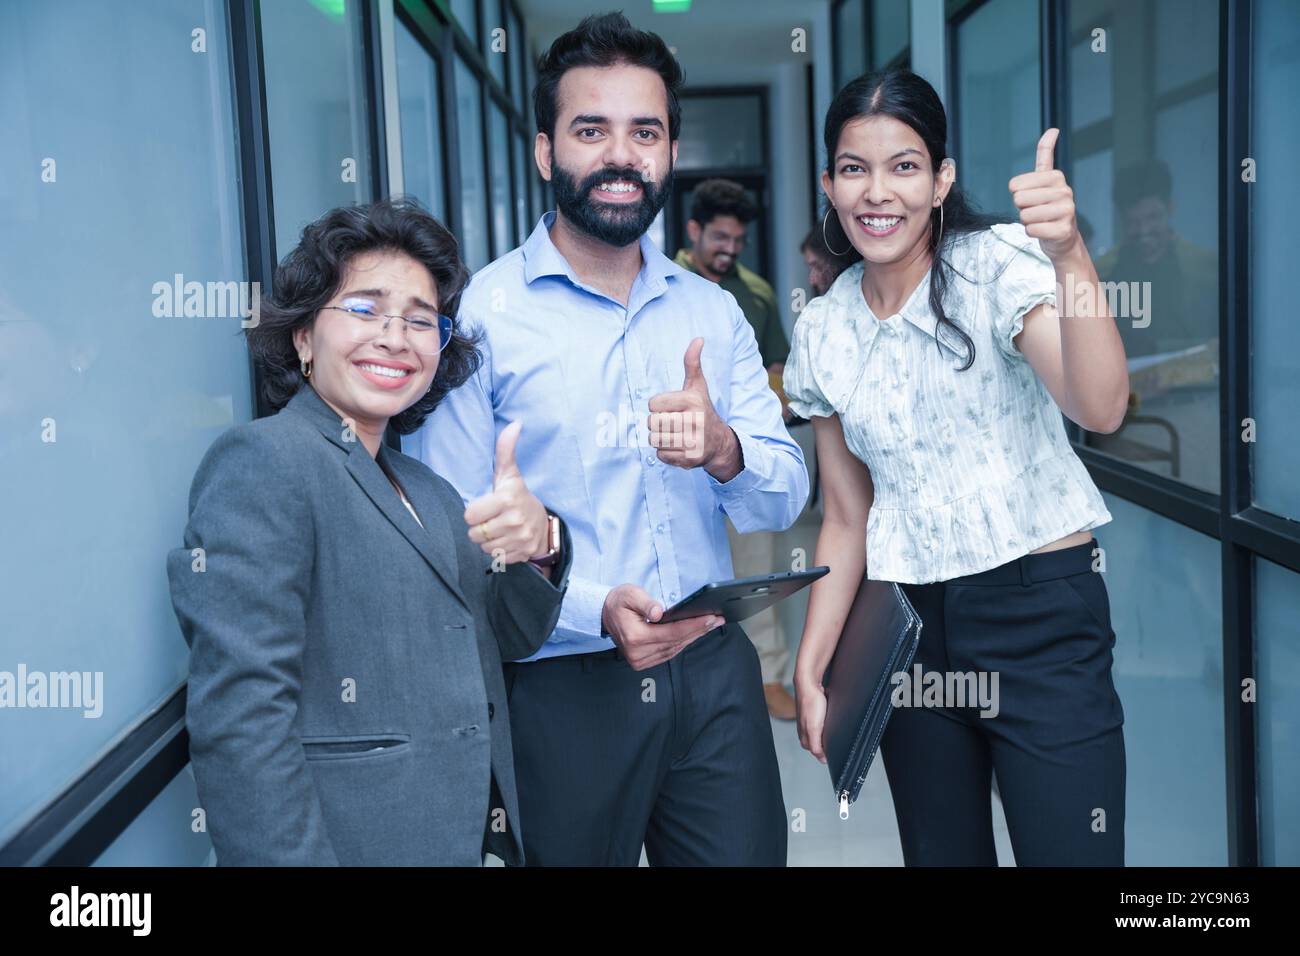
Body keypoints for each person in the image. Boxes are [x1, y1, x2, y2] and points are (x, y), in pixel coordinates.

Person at [405, 12, 808, 866]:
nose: (621, 157)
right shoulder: (482, 316)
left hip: (713, 673)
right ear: (547, 151)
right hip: (561, 687)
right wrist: (591, 608)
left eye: (645, 132)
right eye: (592, 130)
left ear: (668, 153)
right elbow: (450, 536)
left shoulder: (711, 309)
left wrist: (724, 448)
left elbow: (786, 491)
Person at [785, 70, 1130, 866]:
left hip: (1040, 616)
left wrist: (1071, 255)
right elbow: (846, 516)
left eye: (905, 166)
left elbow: (1100, 406)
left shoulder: (998, 266)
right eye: (854, 168)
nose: (878, 192)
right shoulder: (825, 329)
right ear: (829, 185)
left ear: (941, 180)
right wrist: (813, 659)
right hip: (908, 631)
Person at [167, 197, 572, 866]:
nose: (394, 336)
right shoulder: (266, 462)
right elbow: (241, 722)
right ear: (302, 337)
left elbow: (503, 637)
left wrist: (542, 545)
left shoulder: (429, 490)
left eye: (420, 320)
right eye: (364, 309)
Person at [673, 177, 796, 720]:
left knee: (753, 569)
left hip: (739, 459)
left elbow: (776, 372)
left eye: (738, 241)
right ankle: (682, 670)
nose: (729, 249)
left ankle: (769, 675)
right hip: (674, 465)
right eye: (719, 237)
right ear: (694, 231)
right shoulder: (657, 283)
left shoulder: (758, 295)